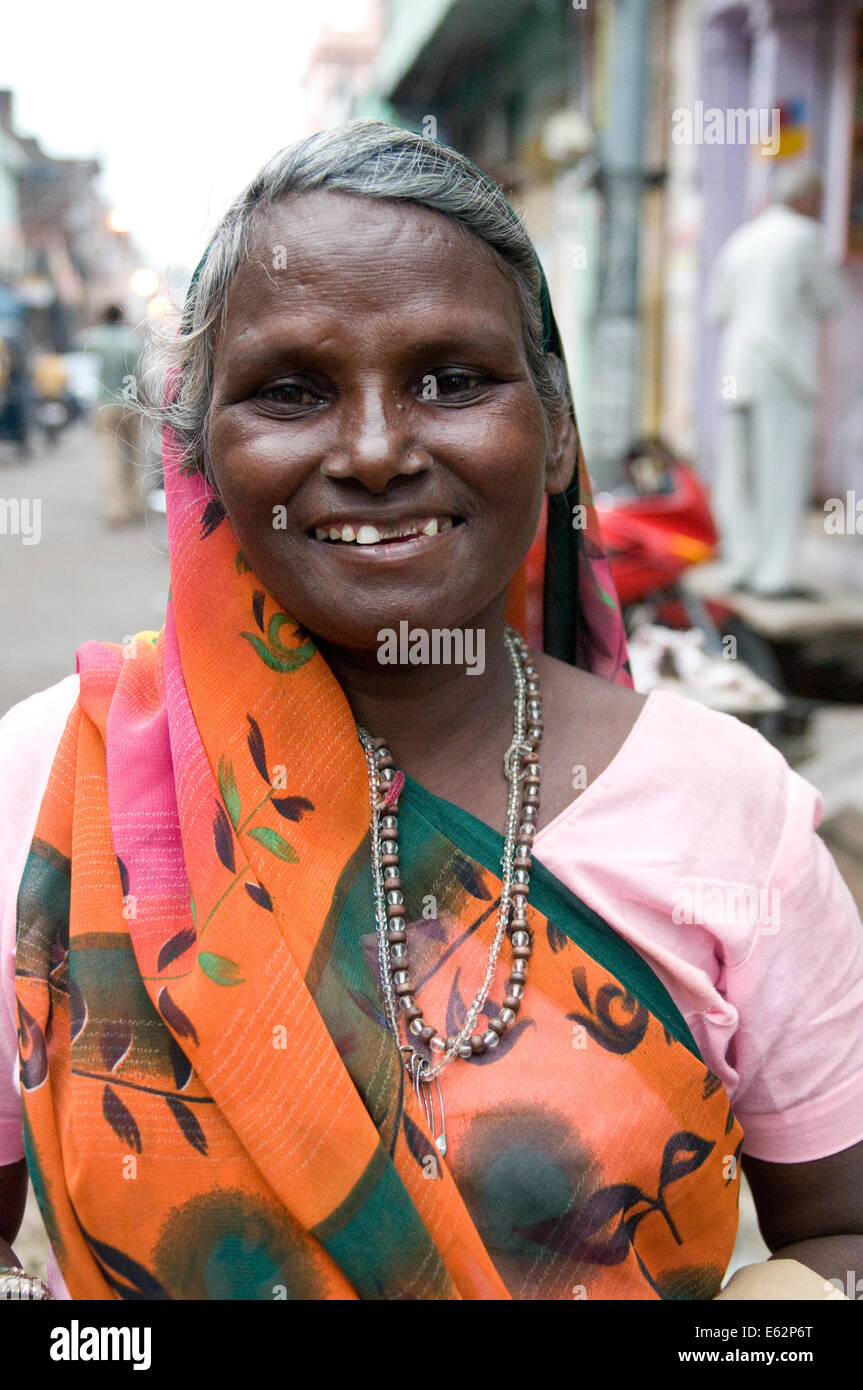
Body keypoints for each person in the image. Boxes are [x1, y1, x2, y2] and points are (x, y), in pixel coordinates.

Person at [1, 123, 861, 1302]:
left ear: (554, 430)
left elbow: (836, 1234)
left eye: (451, 380)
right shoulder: (52, 779)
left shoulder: (725, 811)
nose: (371, 450)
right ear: (200, 447)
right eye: (291, 390)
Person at [708, 166, 844, 598]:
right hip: (783, 370)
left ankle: (740, 562)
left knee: (740, 472)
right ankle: (773, 574)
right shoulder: (805, 236)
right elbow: (831, 298)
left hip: (738, 369)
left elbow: (718, 308)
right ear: (806, 199)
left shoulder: (742, 239)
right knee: (781, 472)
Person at [80, 303, 144, 527]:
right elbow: (142, 372)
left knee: (111, 458)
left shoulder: (95, 338)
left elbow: (79, 347)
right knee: (134, 457)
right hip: (132, 404)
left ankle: (116, 510)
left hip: (106, 405)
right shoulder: (133, 340)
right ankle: (136, 504)